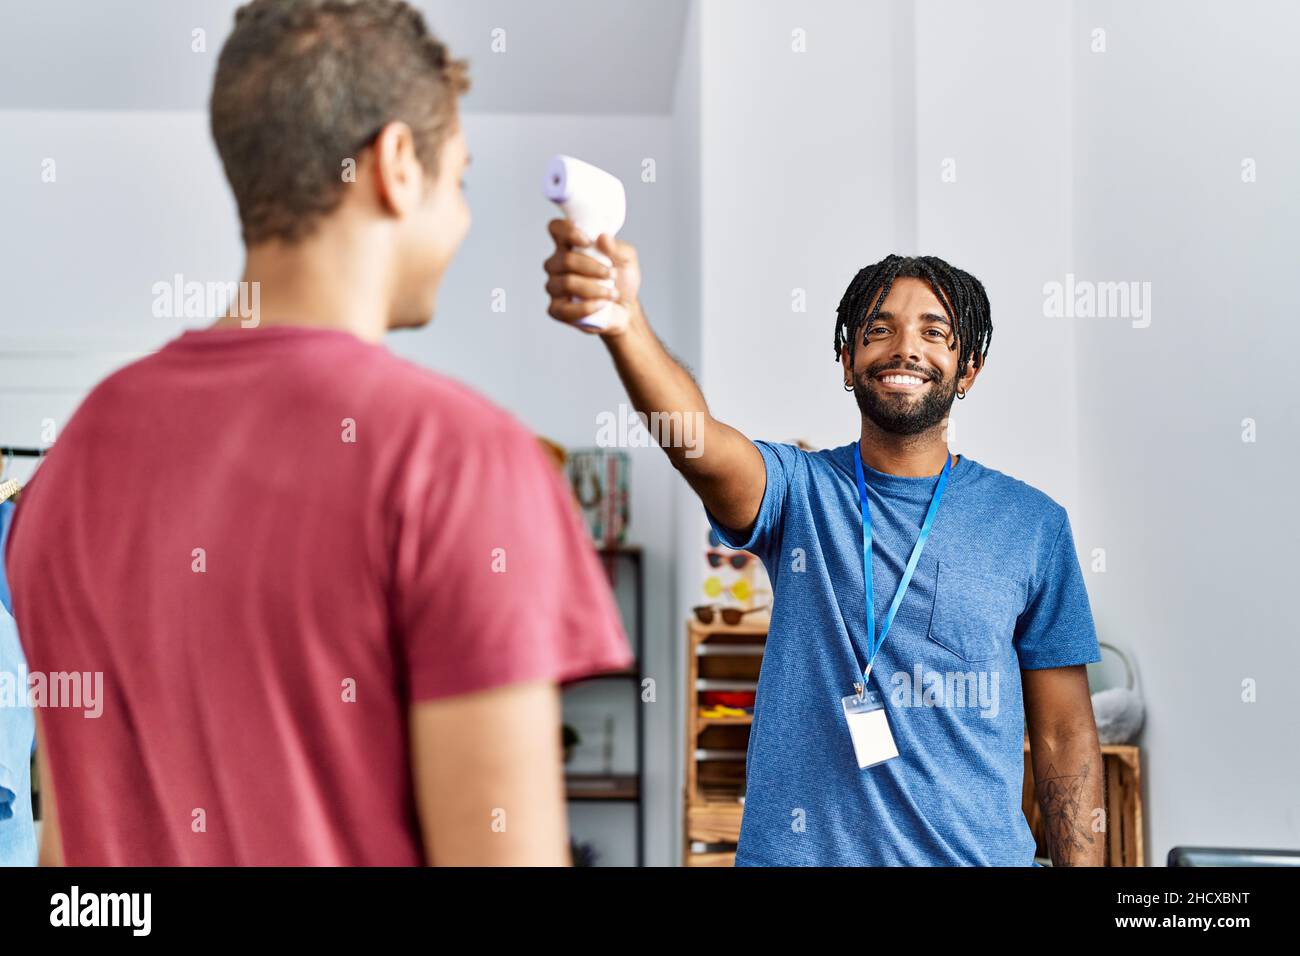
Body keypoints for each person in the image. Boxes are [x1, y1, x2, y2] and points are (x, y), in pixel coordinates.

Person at [6, 0, 631, 866]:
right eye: (462, 180)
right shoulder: (457, 457)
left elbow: (67, 858)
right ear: (397, 165)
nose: (463, 218)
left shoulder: (69, 464)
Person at [544, 226, 1105, 866]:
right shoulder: (798, 491)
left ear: (968, 369)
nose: (904, 349)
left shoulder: (1032, 524)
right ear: (846, 360)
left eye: (933, 332)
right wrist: (625, 324)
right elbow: (695, 441)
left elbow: (1065, 734)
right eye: (879, 329)